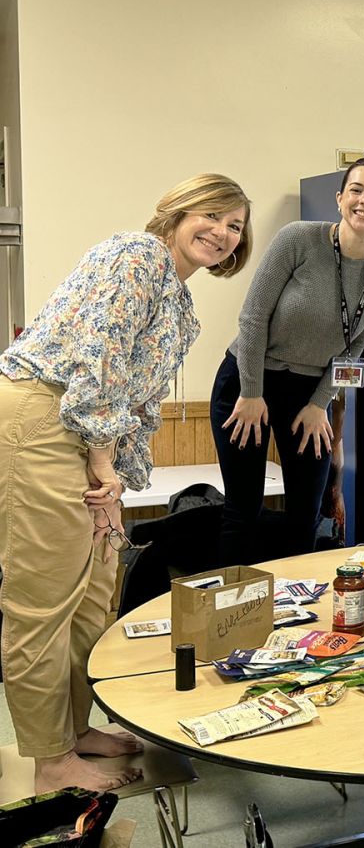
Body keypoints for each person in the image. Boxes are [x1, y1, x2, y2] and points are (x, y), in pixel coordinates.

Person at [0, 173, 251, 793]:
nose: (221, 232)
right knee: (44, 601)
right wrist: (104, 465)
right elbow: (100, 358)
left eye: (236, 226)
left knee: (93, 597)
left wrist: (113, 470)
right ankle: (49, 760)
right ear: (177, 211)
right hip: (45, 417)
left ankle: (74, 730)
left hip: (85, 433)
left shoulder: (177, 299)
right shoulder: (134, 254)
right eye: (212, 215)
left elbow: (136, 394)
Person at [212, 158, 364, 559]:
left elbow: (353, 351)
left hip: (309, 394)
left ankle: (297, 610)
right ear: (340, 199)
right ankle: (231, 613)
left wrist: (319, 403)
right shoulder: (298, 239)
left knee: (306, 512)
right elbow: (253, 318)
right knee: (244, 509)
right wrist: (253, 393)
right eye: (356, 190)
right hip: (247, 380)